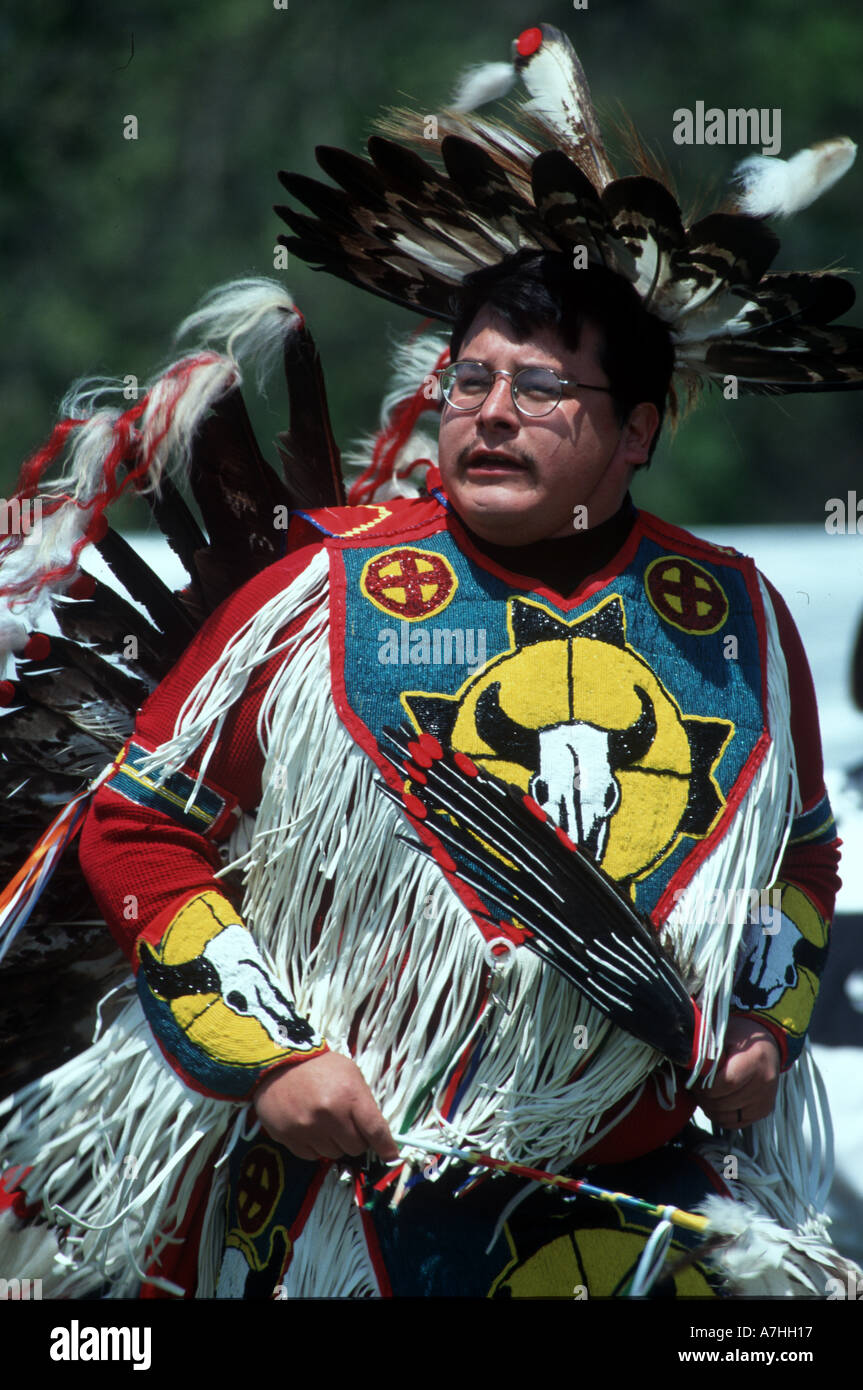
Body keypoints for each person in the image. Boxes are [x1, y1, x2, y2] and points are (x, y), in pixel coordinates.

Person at [0, 22, 858, 1300]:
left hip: (632, 1205)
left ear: (635, 431)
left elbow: (796, 855)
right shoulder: (320, 596)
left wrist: (761, 1028)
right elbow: (140, 828)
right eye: (468, 381)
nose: (491, 412)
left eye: (539, 388)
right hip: (350, 1205)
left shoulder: (726, 616)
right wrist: (271, 1058)